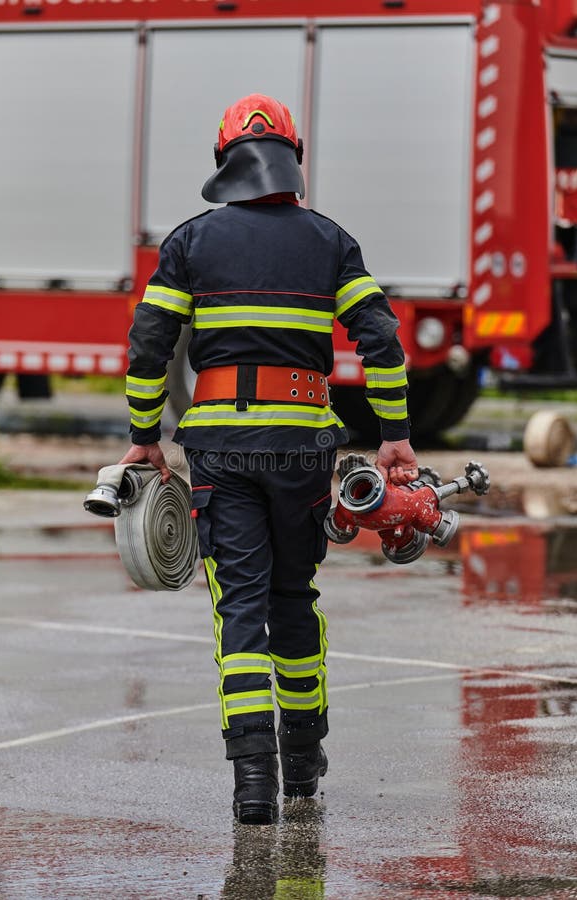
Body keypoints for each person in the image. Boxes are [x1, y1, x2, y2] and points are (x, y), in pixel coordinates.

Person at [119, 93, 418, 825]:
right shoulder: (329, 241)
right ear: (294, 158)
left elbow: (149, 343)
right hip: (302, 452)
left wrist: (143, 433)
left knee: (240, 607)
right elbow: (379, 337)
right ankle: (304, 759)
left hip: (220, 449)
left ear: (226, 161)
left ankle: (253, 782)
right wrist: (395, 432)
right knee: (294, 600)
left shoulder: (189, 243)